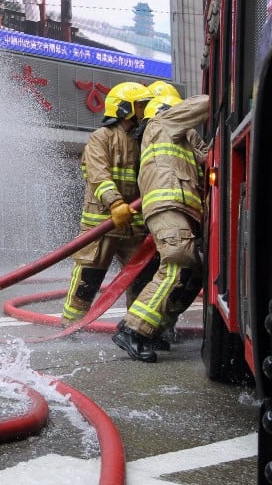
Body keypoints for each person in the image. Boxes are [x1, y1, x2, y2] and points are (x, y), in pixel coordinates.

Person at [111, 94, 208, 362]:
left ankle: (155, 329)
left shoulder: (178, 141)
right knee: (177, 263)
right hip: (169, 206)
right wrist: (231, 94)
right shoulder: (161, 124)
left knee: (193, 272)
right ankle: (133, 330)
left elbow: (206, 157)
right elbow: (204, 104)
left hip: (180, 209)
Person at [61, 82, 155, 326]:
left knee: (141, 277)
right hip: (101, 224)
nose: (145, 110)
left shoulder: (141, 140)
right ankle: (71, 325)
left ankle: (136, 329)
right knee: (87, 279)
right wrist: (114, 203)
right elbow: (98, 175)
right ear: (125, 109)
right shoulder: (100, 138)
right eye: (141, 105)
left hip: (133, 225)